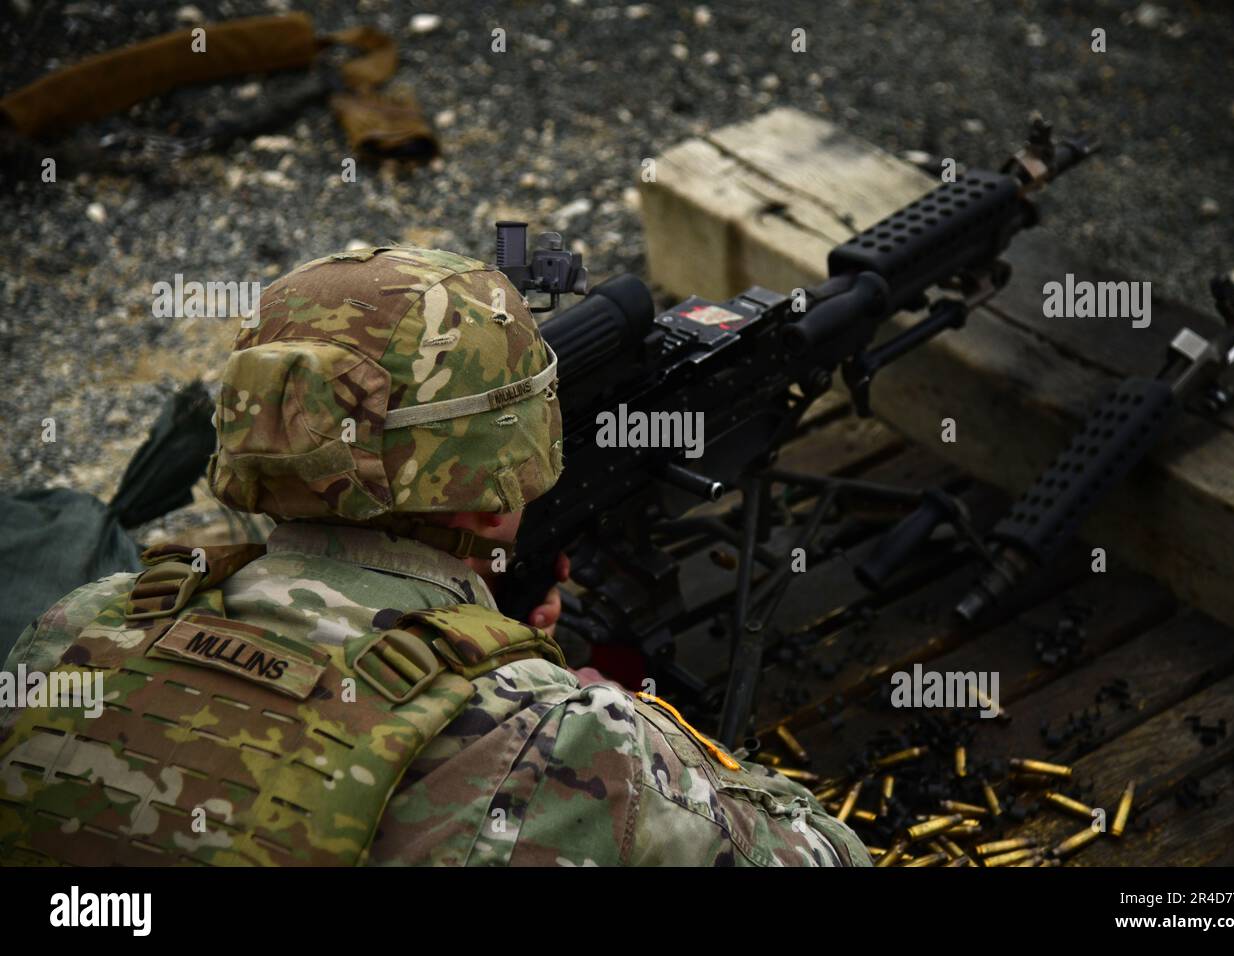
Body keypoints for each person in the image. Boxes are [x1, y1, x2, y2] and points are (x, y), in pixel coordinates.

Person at [0, 245, 870, 867]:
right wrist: (634, 733)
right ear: (499, 492)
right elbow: (831, 855)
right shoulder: (558, 742)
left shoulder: (85, 627)